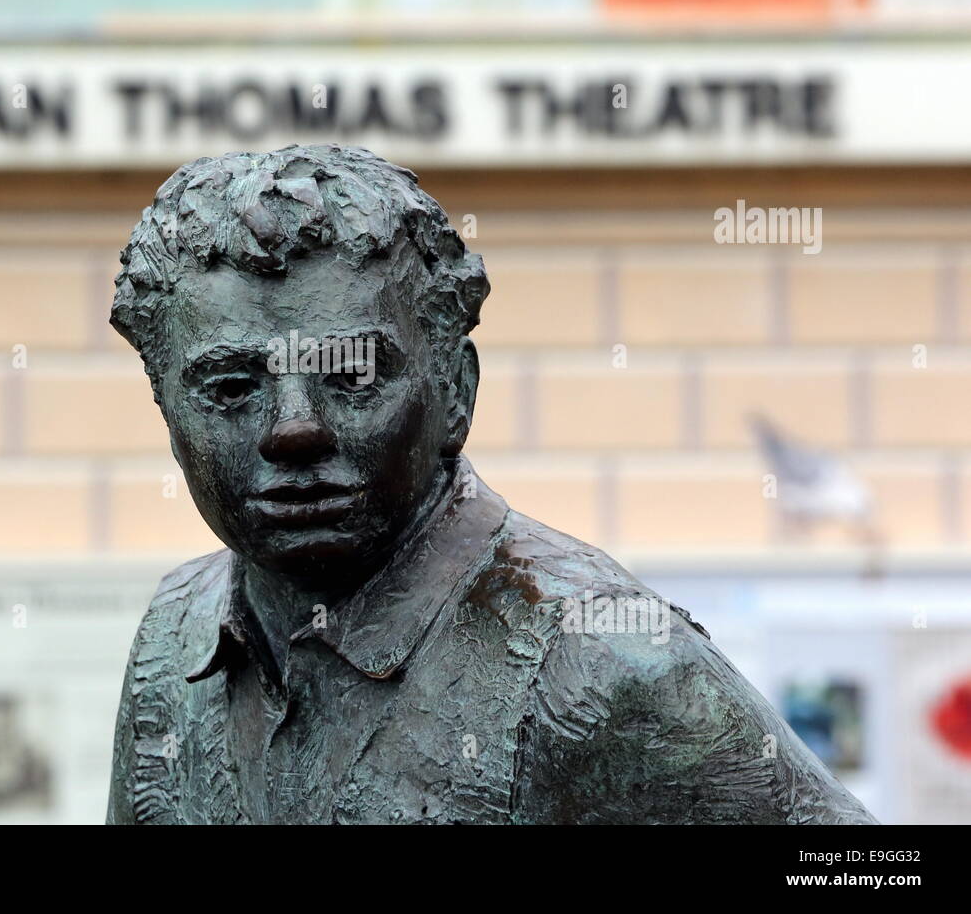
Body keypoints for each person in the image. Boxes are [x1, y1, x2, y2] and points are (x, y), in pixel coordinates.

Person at [105, 143, 875, 825]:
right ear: (165, 411)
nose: (293, 429)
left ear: (457, 391)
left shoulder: (604, 665)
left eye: (355, 374)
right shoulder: (173, 638)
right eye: (233, 386)